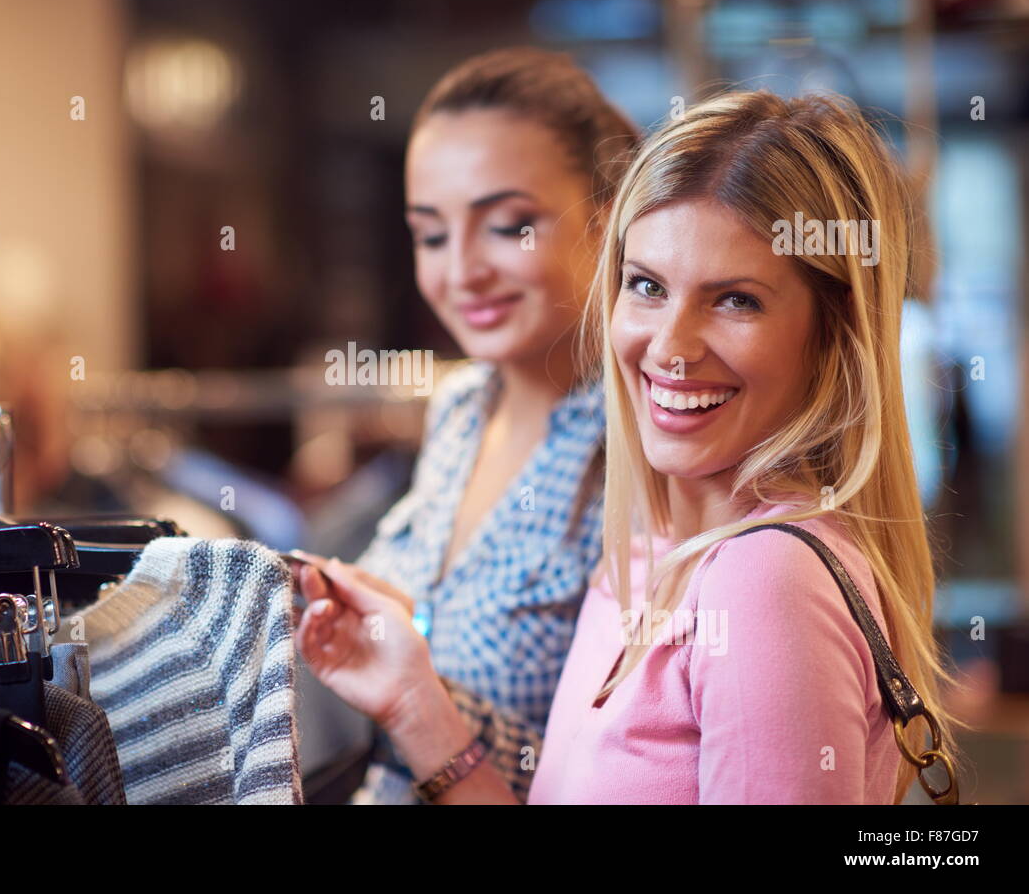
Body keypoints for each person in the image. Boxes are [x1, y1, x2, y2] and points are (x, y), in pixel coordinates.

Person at [295, 90, 961, 804]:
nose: (670, 348)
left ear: (832, 335)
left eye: (736, 299)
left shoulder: (764, 579)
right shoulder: (644, 551)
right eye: (646, 286)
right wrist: (409, 701)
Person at [293, 47, 639, 803]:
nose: (461, 273)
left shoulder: (644, 443)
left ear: (605, 216)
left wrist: (418, 703)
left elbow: (632, 772)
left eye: (508, 224)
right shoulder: (458, 406)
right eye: (432, 235)